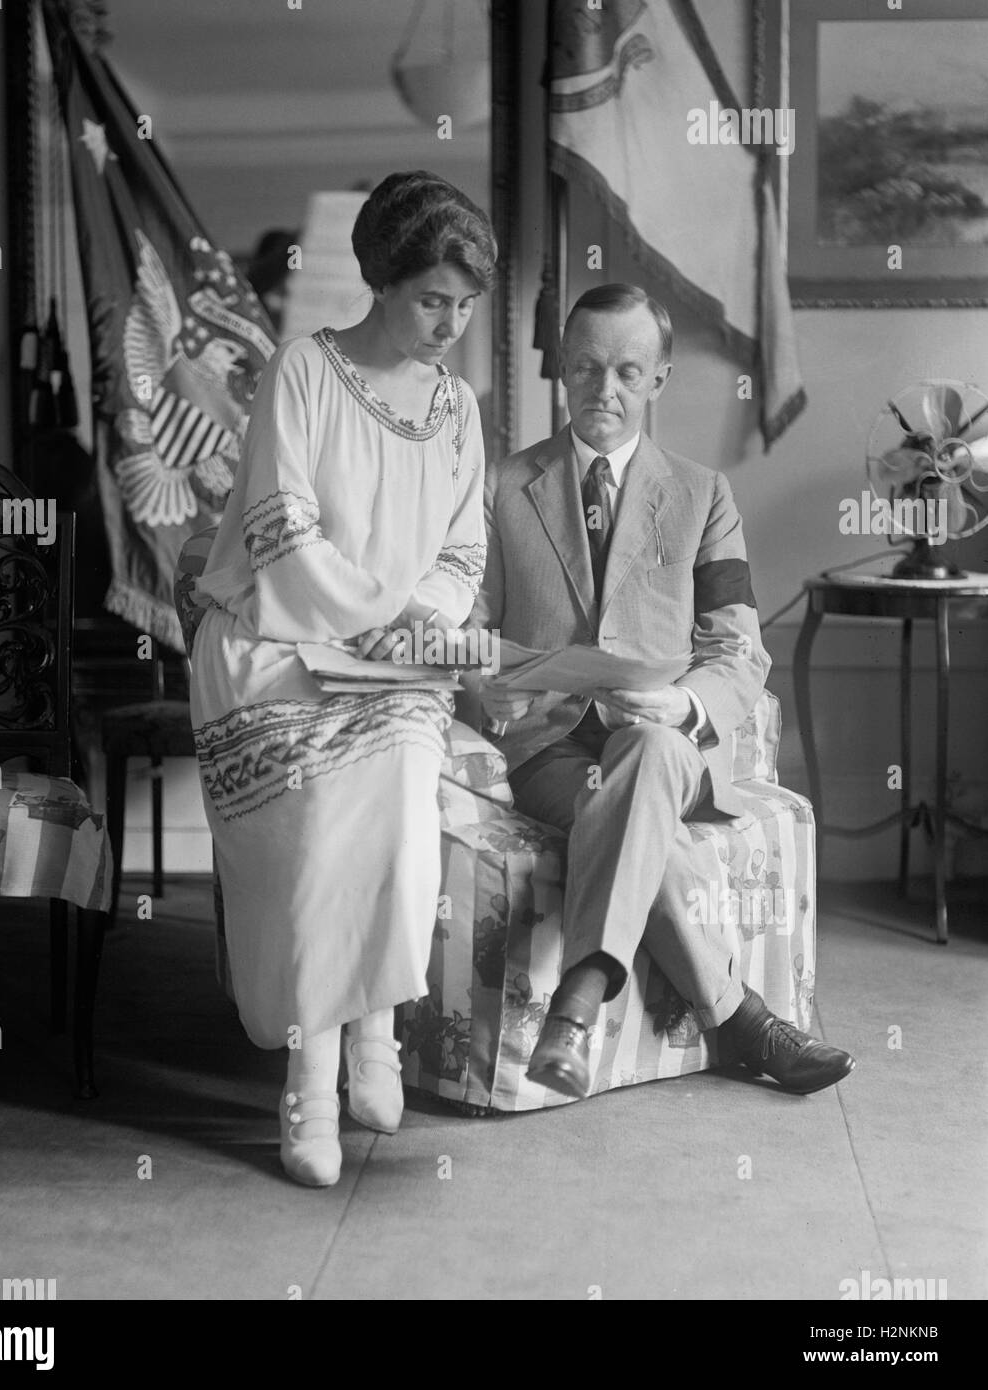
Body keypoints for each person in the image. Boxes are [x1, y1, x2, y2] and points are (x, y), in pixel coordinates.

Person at [471, 283, 854, 1100]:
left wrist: (681, 705)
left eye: (624, 371)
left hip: (670, 739)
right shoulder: (502, 488)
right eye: (583, 368)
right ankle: (739, 1020)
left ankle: (574, 1006)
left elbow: (738, 650)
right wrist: (486, 686)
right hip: (549, 747)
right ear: (560, 371)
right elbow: (467, 629)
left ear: (658, 379)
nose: (601, 390)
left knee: (646, 749)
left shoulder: (702, 493)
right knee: (627, 802)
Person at [189, 171, 496, 1186]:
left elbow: (462, 550)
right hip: (271, 650)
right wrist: (378, 618)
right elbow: (282, 535)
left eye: (463, 305)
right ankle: (311, 1081)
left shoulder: (458, 408)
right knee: (325, 820)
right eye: (430, 300)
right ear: (382, 281)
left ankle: (374, 1036)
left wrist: (427, 622)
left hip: (388, 666)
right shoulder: (302, 371)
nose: (449, 323)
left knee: (405, 788)